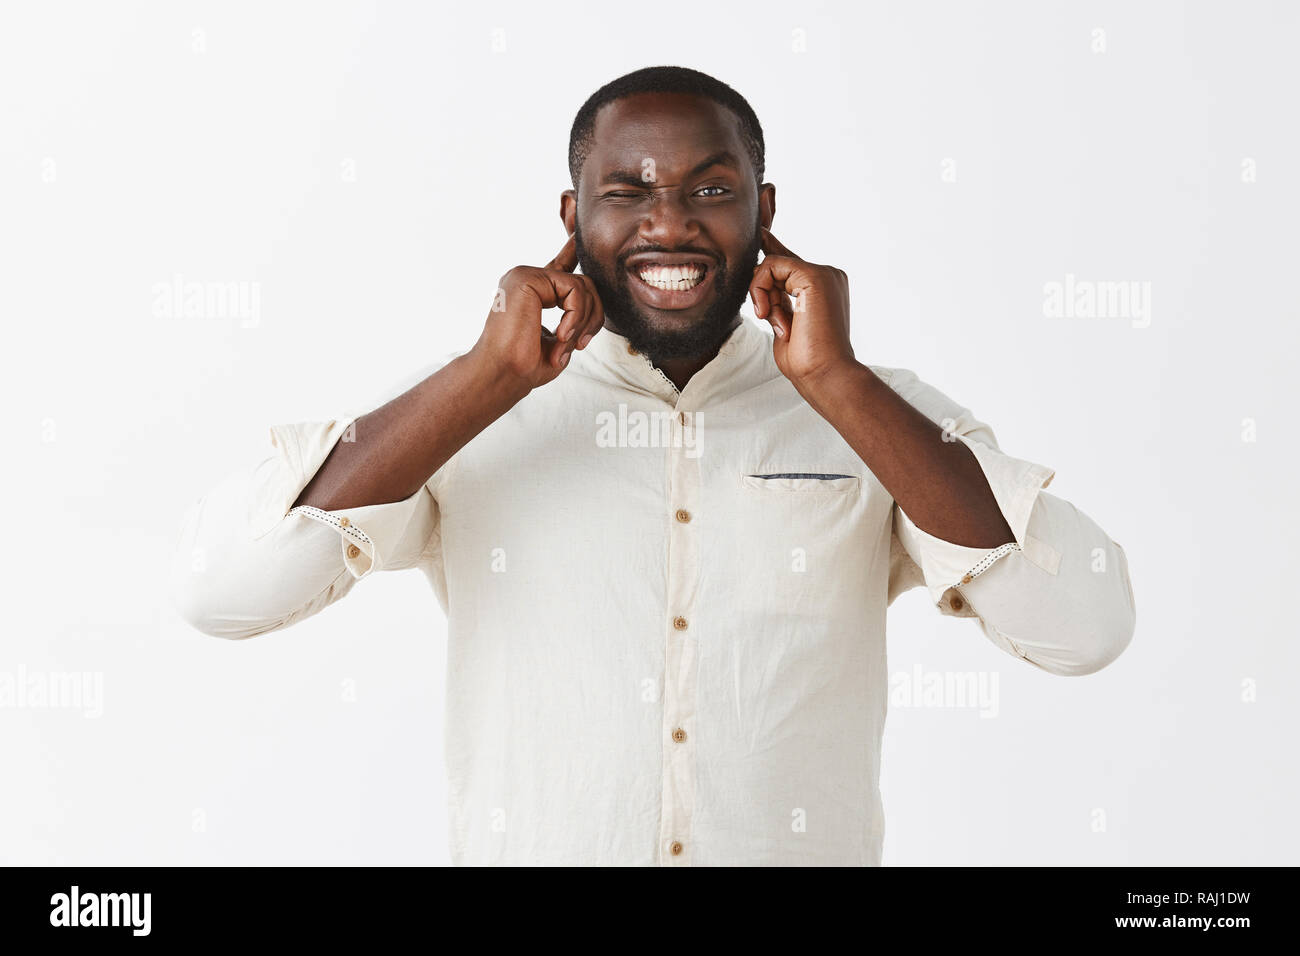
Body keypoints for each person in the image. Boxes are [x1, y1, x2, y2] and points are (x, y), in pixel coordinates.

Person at [171, 65, 1136, 866]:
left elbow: (1086, 629)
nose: (667, 225)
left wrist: (837, 383)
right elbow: (223, 592)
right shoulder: (468, 412)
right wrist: (478, 381)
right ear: (572, 213)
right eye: (625, 192)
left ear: (763, 212)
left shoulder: (876, 410)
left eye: (710, 191)